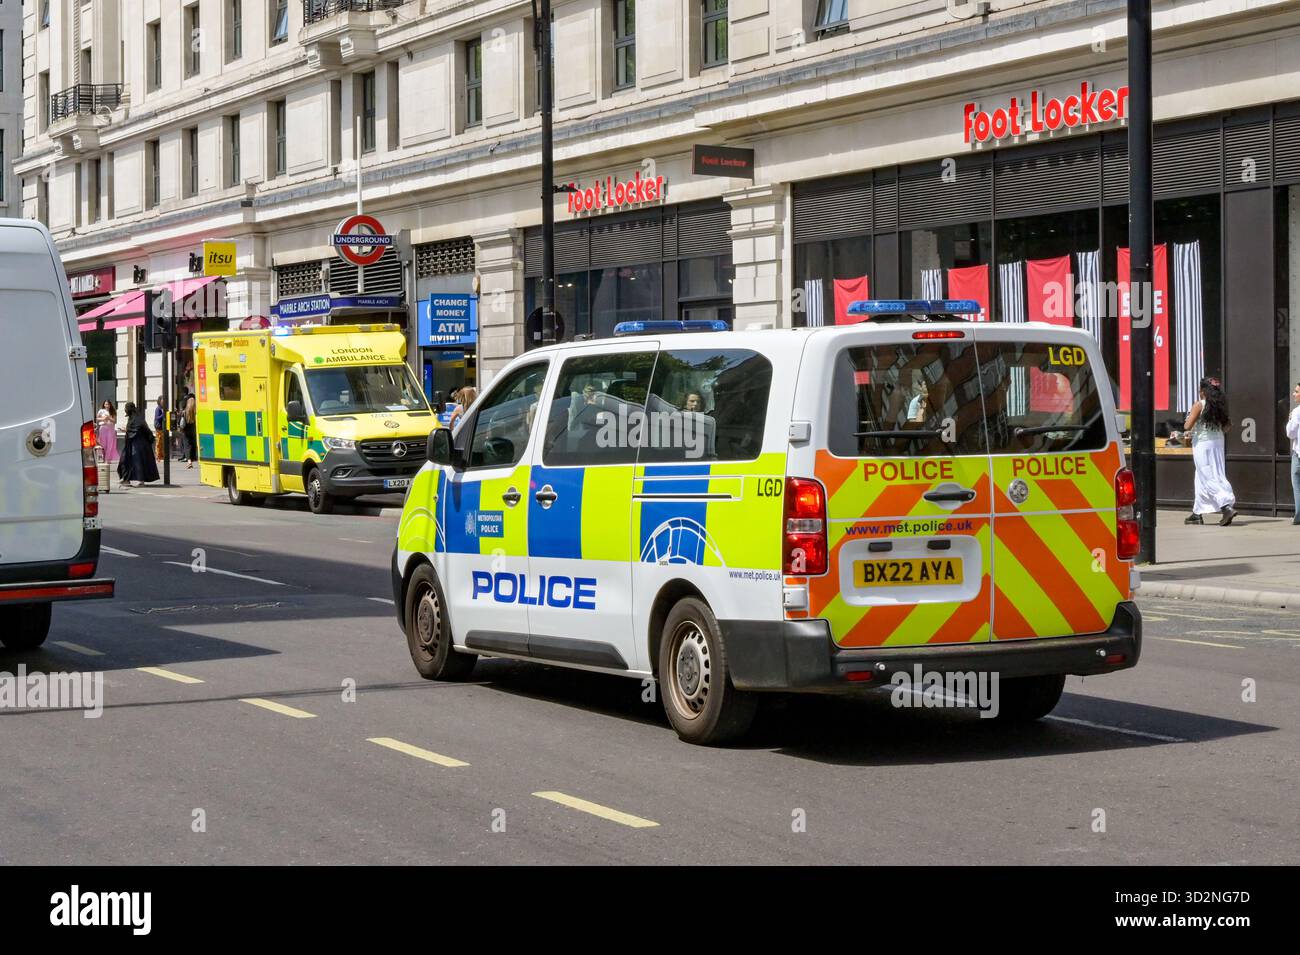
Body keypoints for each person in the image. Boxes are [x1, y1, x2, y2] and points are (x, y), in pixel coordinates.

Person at [1183, 376, 1236, 526]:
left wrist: (1189, 419)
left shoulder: (1199, 405)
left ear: (1203, 391)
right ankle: (1197, 512)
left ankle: (1226, 506)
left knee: (1208, 476)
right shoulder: (1220, 406)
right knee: (1203, 475)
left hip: (1203, 444)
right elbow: (1228, 427)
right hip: (1218, 442)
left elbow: (1187, 426)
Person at [117, 402, 160, 487]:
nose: (125, 410)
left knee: (138, 462)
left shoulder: (137, 418)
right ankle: (126, 479)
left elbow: (138, 429)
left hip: (139, 444)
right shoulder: (132, 418)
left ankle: (141, 480)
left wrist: (127, 430)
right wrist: (126, 430)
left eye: (126, 408)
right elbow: (132, 429)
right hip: (131, 443)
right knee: (125, 460)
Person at [1286, 381, 1300, 526]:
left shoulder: (1297, 411)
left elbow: (1291, 433)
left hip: (1298, 453)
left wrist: (1290, 420)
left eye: (1296, 391)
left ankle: (1299, 515)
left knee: (1297, 485)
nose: (1294, 394)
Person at [182, 391, 198, 469]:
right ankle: (194, 458)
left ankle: (189, 461)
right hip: (193, 429)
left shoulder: (185, 411)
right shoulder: (196, 411)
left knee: (187, 445)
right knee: (192, 444)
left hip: (186, 430)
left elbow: (181, 421)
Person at [153, 396, 167, 463]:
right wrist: (163, 414)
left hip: (162, 427)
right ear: (159, 401)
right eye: (162, 400)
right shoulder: (158, 409)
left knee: (161, 442)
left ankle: (161, 456)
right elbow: (157, 418)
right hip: (159, 427)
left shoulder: (162, 408)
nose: (163, 402)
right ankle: (158, 457)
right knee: (158, 442)